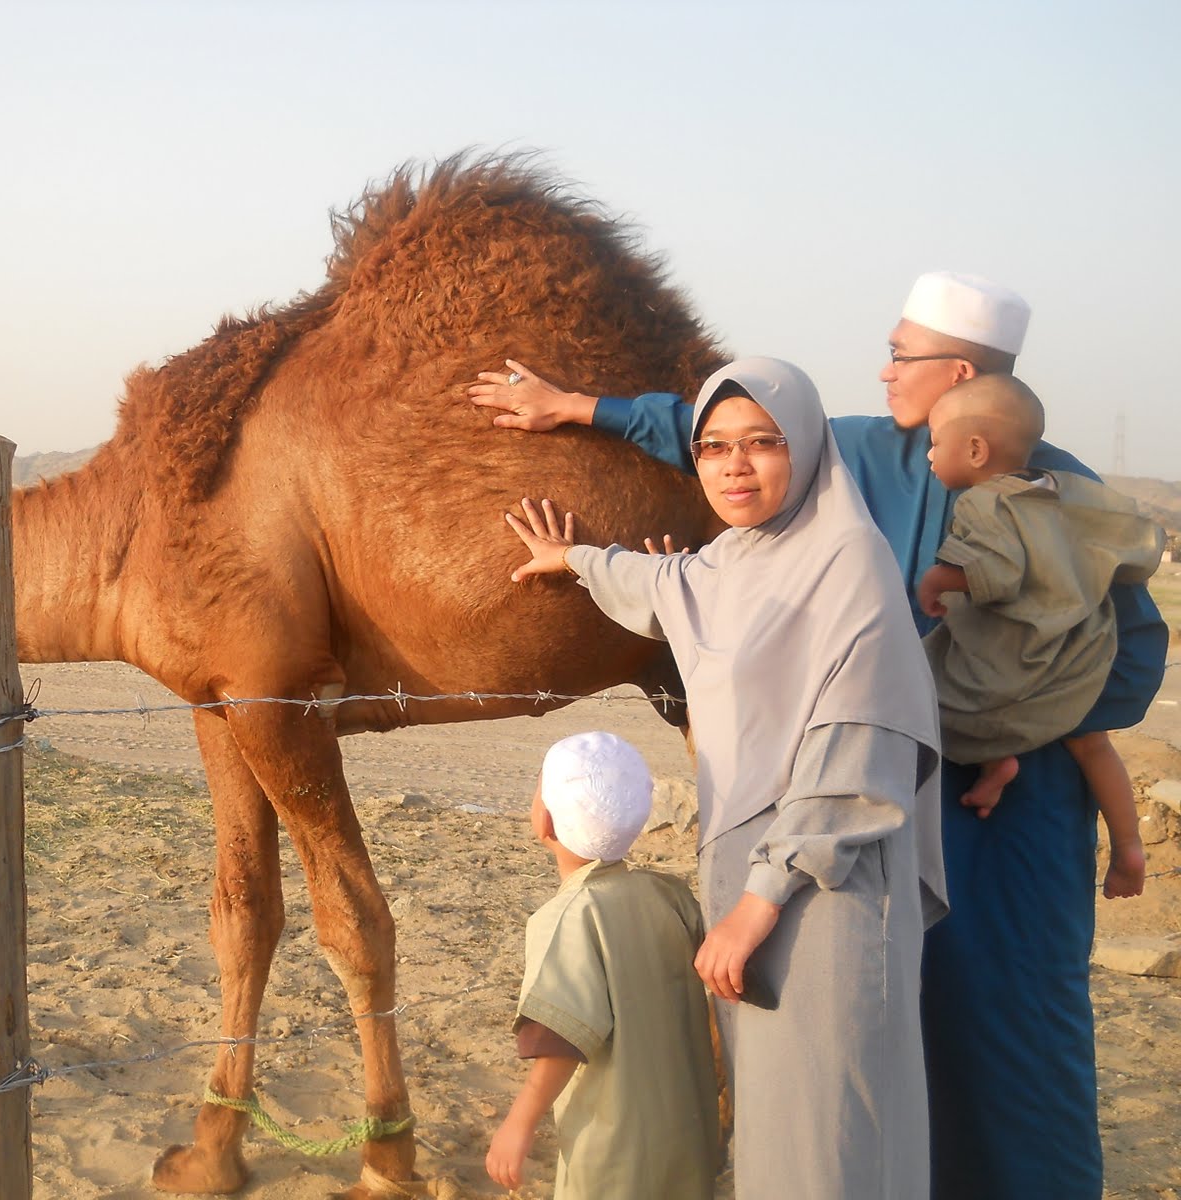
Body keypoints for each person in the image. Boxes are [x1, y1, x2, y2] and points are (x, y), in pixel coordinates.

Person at [469, 271, 1169, 1199]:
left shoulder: (1043, 491)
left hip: (996, 818)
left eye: (898, 355)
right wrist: (574, 421)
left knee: (1001, 1038)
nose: (881, 372)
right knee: (823, 1094)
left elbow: (1128, 660)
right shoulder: (844, 464)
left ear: (958, 371)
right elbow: (700, 471)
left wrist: (998, 721)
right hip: (817, 836)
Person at [504, 358, 947, 1200]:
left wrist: (756, 906)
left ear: (808, 447)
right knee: (777, 1136)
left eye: (761, 443)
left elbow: (855, 752)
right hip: (749, 896)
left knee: (831, 1138)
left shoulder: (847, 562)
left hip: (824, 896)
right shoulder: (734, 561)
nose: (733, 466)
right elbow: (661, 581)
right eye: (712, 447)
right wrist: (576, 558)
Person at [918, 374, 1165, 897]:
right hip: (1078, 653)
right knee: (1092, 744)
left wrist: (943, 577)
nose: (929, 455)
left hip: (1016, 655)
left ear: (976, 449)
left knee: (929, 696)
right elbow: (1134, 538)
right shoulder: (1060, 492)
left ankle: (996, 757)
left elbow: (999, 572)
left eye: (936, 442)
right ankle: (1128, 847)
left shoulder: (983, 504)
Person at [486, 730, 720, 1198]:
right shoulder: (669, 893)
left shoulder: (565, 918)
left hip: (615, 1151)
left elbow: (562, 1038)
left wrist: (518, 1123)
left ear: (545, 819)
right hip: (688, 1130)